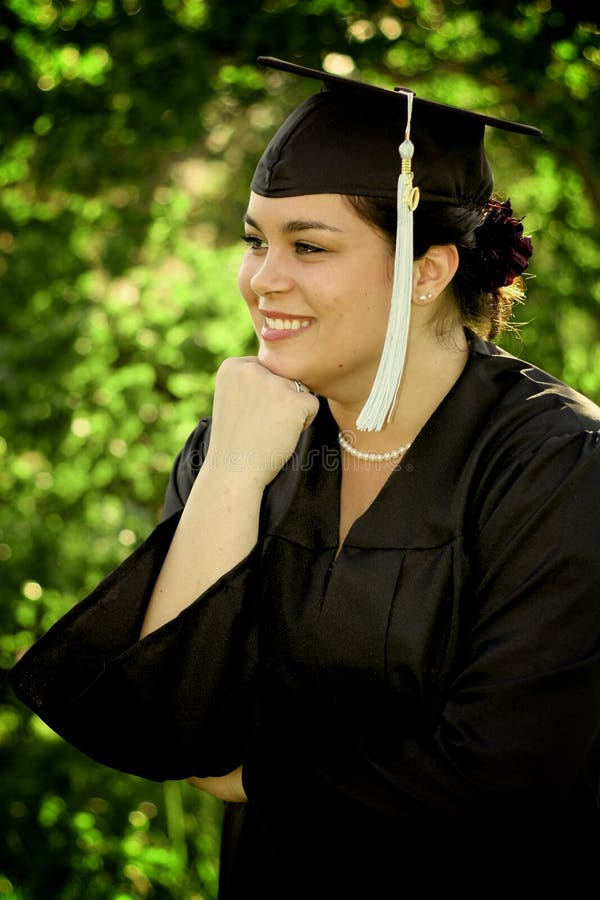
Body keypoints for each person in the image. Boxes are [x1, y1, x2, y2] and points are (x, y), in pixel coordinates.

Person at [9, 57, 600, 896]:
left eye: (309, 246)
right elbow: (171, 721)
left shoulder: (553, 467)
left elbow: (506, 786)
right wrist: (234, 471)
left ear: (428, 271)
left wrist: (257, 778)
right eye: (254, 240)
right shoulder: (248, 436)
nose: (263, 279)